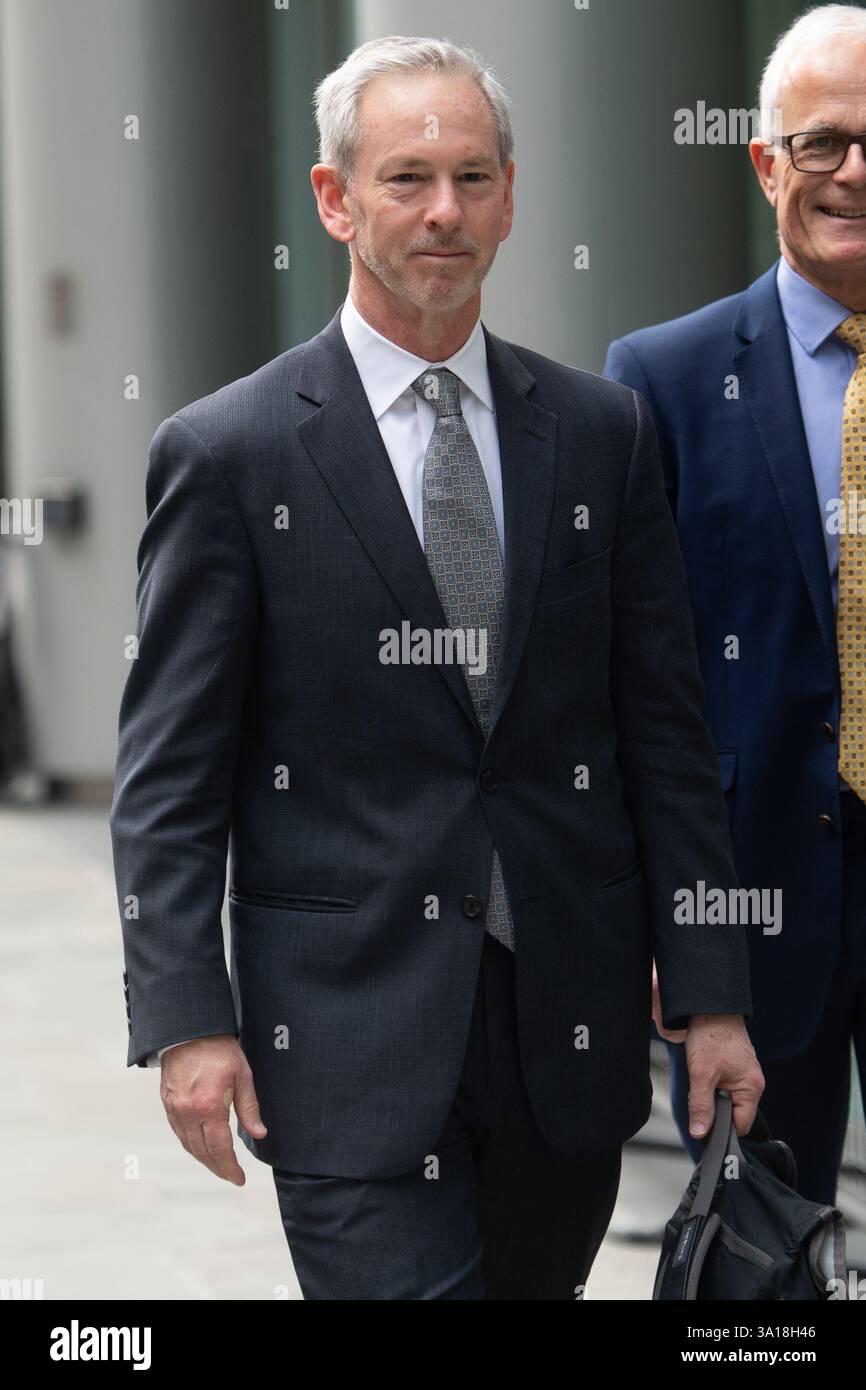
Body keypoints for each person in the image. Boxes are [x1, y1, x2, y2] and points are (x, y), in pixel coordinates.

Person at [110, 34, 762, 1301]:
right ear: (334, 198)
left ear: (511, 198)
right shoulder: (230, 454)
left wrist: (712, 991)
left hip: (561, 1038)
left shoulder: (602, 433)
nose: (444, 212)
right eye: (406, 178)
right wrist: (187, 1017)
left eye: (472, 177)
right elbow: (167, 782)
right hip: (344, 1039)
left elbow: (663, 736)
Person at [604, 3, 866, 1207]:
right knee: (754, 1260)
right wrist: (672, 940)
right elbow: (629, 687)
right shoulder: (659, 380)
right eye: (820, 142)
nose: (850, 171)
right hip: (748, 915)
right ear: (765, 163)